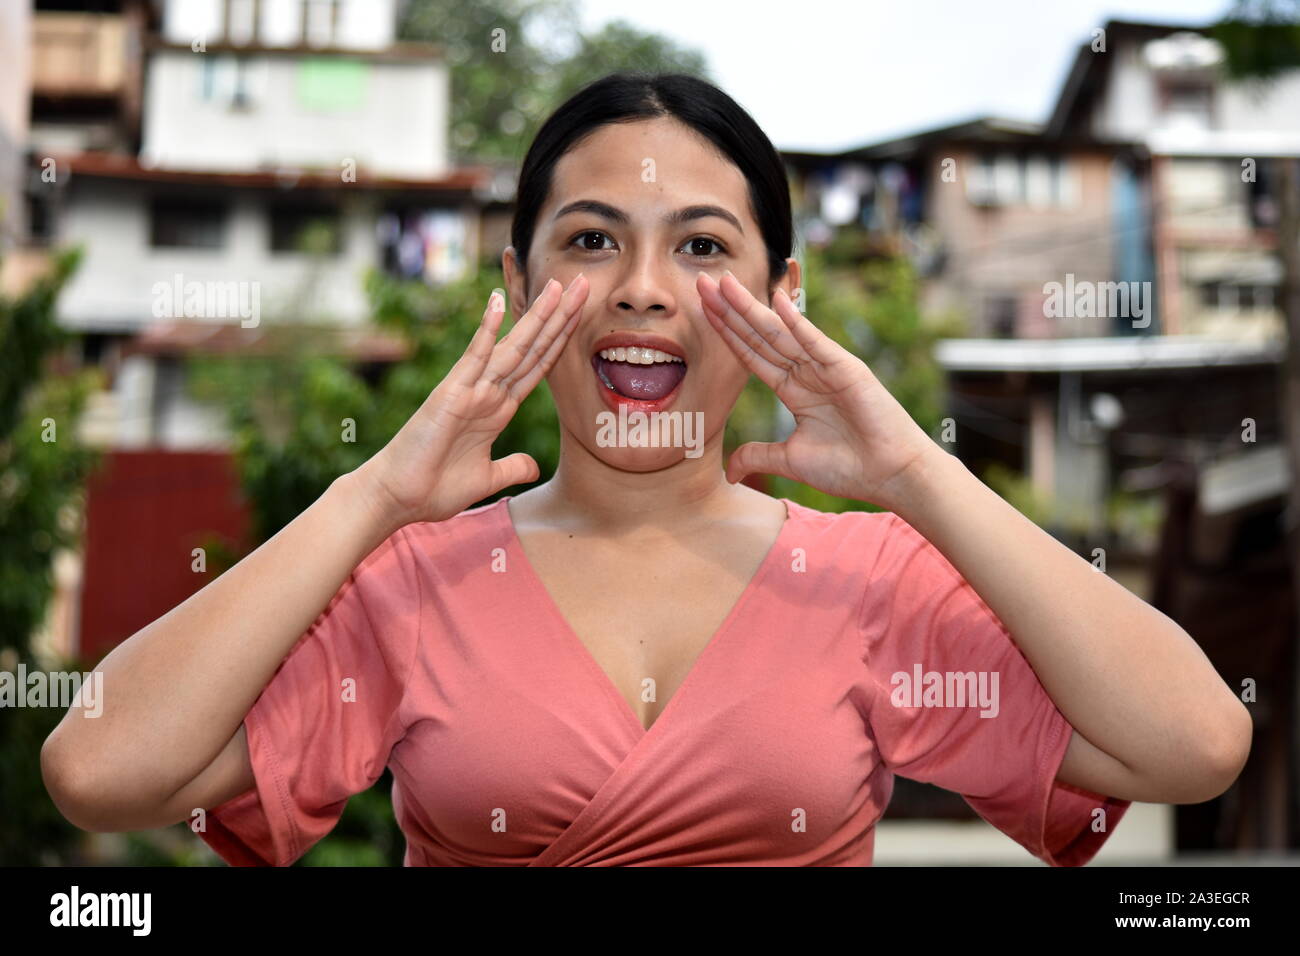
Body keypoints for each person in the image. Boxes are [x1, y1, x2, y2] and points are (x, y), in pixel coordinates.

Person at [41, 72, 1251, 866]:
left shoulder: (869, 575)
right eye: (589, 240)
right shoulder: (412, 577)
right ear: (515, 289)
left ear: (784, 296)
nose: (641, 287)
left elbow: (1192, 743)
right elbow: (97, 768)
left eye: (702, 246)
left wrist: (919, 478)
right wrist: (373, 497)